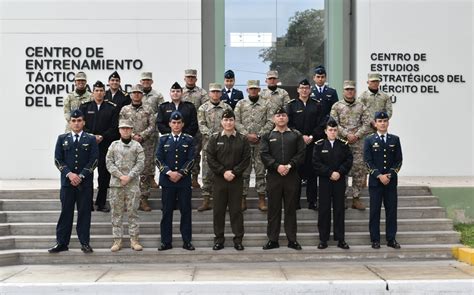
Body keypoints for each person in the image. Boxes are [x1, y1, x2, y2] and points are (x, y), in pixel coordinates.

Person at [49, 109, 98, 254]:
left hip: (85, 184)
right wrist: (69, 174)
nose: (76, 123)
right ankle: (62, 243)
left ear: (83, 122)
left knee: (84, 214)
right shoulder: (62, 138)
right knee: (66, 213)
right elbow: (58, 160)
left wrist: (81, 176)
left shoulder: (90, 139)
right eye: (74, 121)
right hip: (67, 184)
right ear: (70, 123)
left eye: (79, 121)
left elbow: (94, 161)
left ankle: (85, 243)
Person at [260, 106, 306, 251]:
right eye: (278, 115)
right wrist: (277, 166)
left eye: (283, 115)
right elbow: (264, 154)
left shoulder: (295, 135)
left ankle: (292, 239)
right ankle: (272, 240)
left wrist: (290, 165)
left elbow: (301, 153)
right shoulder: (267, 135)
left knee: (291, 209)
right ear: (274, 118)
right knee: (273, 209)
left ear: (287, 118)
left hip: (291, 176)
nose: (281, 118)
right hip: (274, 176)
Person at [206, 109, 251, 251]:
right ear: (221, 122)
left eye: (231, 120)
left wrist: (234, 172)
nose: (228, 122)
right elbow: (210, 158)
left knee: (236, 211)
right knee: (218, 211)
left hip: (236, 180)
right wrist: (223, 171)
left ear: (234, 121)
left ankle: (238, 240)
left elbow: (246, 159)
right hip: (219, 180)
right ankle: (219, 240)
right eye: (225, 120)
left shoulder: (242, 139)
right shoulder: (214, 138)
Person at [156, 111, 195, 251]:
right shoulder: (163, 139)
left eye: (179, 123)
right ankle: (166, 241)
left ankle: (187, 241)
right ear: (169, 124)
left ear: (182, 124)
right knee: (167, 212)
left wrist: (181, 173)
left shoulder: (189, 139)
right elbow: (158, 159)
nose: (176, 125)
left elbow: (192, 160)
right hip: (167, 182)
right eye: (174, 122)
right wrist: (169, 172)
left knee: (186, 211)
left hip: (183, 182)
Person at [330, 80, 371, 210]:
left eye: (352, 89)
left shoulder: (361, 106)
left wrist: (357, 135)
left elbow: (367, 123)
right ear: (343, 91)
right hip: (342, 143)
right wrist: (347, 134)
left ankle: (356, 198)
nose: (349, 91)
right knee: (342, 170)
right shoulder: (337, 106)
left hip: (358, 143)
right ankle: (342, 198)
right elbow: (333, 123)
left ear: (355, 91)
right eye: (347, 89)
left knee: (359, 170)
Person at [364, 111, 402, 249]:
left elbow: (398, 161)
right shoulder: (369, 140)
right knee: (375, 211)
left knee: (391, 211)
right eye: (380, 121)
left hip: (390, 182)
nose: (382, 123)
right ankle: (375, 239)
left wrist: (389, 175)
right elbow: (368, 161)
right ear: (375, 123)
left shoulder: (395, 140)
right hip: (375, 182)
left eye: (385, 121)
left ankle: (391, 239)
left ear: (388, 122)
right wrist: (379, 176)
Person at [106, 119, 145, 252]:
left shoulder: (137, 146)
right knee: (116, 214)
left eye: (128, 128)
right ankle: (117, 241)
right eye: (123, 128)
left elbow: (140, 163)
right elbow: (108, 162)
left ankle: (134, 240)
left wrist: (129, 176)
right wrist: (120, 176)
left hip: (132, 184)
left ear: (132, 130)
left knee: (133, 213)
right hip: (117, 185)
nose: (125, 130)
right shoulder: (114, 145)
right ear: (119, 130)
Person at [313, 120, 353, 250]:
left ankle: (340, 239)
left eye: (335, 130)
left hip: (339, 181)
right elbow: (316, 163)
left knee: (339, 210)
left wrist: (339, 172)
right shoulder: (319, 145)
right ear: (325, 131)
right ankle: (323, 239)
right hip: (325, 181)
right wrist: (330, 173)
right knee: (324, 210)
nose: (333, 132)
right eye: (330, 130)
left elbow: (348, 161)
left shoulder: (343, 145)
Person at [80, 81, 119, 212]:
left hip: (105, 145)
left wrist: (102, 136)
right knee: (87, 174)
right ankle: (87, 203)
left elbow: (114, 127)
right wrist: (92, 136)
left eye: (101, 90)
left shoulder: (112, 107)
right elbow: (81, 126)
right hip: (88, 145)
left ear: (105, 92)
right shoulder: (85, 107)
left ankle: (101, 203)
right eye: (96, 90)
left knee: (104, 175)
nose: (99, 93)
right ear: (93, 92)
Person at [234, 80, 273, 211]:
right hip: (244, 143)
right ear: (247, 90)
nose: (253, 91)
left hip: (260, 143)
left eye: (256, 89)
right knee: (244, 171)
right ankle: (242, 199)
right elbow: (236, 122)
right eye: (251, 89)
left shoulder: (267, 104)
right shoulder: (241, 104)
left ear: (259, 90)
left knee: (260, 170)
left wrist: (259, 135)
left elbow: (270, 122)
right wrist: (246, 134)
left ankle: (262, 199)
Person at [286, 78, 324, 210]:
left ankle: (312, 201)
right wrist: (301, 136)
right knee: (296, 174)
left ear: (310, 90)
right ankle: (295, 202)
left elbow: (321, 124)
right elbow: (288, 124)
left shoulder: (317, 104)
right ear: (298, 90)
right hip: (297, 144)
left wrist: (312, 136)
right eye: (302, 88)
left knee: (312, 174)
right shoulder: (291, 105)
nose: (304, 90)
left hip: (313, 144)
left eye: (306, 88)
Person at [119, 84, 156, 212]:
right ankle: (127, 200)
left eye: (139, 93)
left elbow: (152, 126)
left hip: (145, 144)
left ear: (142, 95)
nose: (136, 94)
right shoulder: (124, 110)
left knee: (144, 172)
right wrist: (133, 135)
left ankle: (143, 200)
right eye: (134, 92)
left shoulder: (148, 109)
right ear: (130, 95)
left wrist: (141, 135)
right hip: (128, 144)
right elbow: (121, 125)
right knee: (127, 171)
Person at [197, 83, 232, 211]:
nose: (215, 94)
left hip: (225, 144)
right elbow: (201, 125)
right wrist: (214, 135)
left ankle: (224, 200)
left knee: (225, 170)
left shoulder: (227, 107)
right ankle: (206, 199)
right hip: (209, 144)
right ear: (209, 93)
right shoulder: (203, 108)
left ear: (221, 93)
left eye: (218, 91)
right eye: (213, 92)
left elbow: (230, 123)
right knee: (207, 172)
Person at [182, 69, 209, 189]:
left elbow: (206, 108)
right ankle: (183, 177)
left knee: (196, 154)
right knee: (182, 153)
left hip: (197, 129)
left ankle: (194, 177)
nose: (190, 79)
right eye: (188, 77)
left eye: (193, 77)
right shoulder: (180, 92)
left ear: (196, 79)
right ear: (185, 79)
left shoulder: (202, 93)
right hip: (182, 128)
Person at [140, 72, 165, 189]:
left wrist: (150, 118)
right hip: (138, 130)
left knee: (151, 155)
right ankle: (141, 178)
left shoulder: (157, 95)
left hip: (152, 130)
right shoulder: (136, 94)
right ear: (141, 82)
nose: (146, 82)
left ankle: (151, 177)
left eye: (148, 80)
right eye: (144, 80)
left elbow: (162, 110)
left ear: (151, 82)